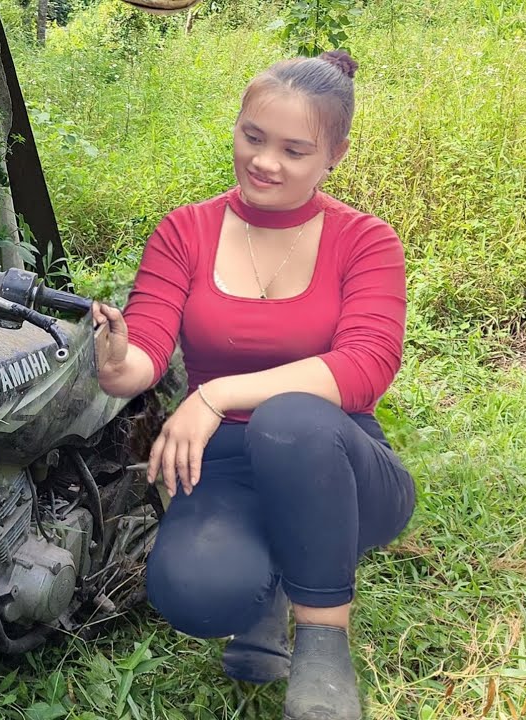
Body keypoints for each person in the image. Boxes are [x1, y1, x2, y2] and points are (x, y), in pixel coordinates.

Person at [91, 50, 416, 720]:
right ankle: (260, 594)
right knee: (195, 592)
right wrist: (118, 360)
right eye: (252, 137)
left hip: (338, 464)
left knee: (288, 420)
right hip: (225, 464)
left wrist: (216, 394)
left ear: (336, 155)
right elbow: (147, 351)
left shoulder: (366, 241)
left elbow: (367, 364)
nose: (265, 162)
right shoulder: (186, 230)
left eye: (295, 150)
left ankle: (324, 642)